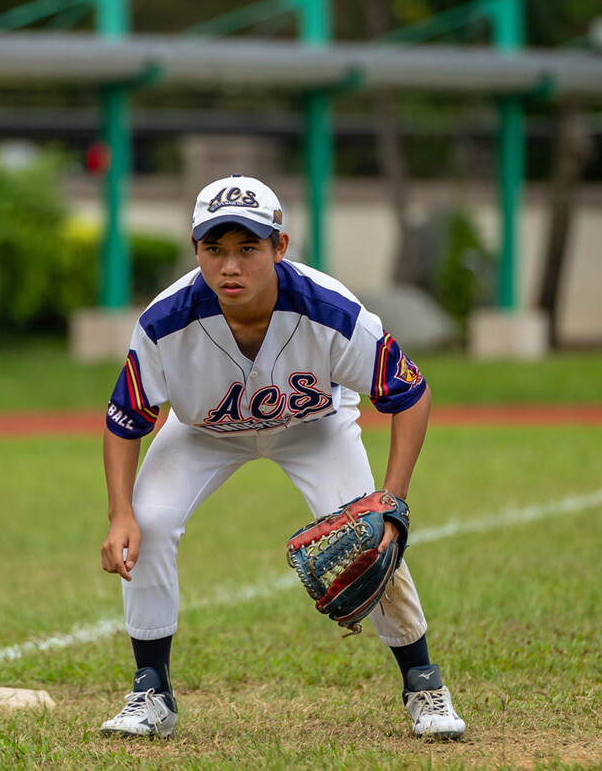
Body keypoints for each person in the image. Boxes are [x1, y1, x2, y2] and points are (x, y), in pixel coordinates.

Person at [98, 174, 465, 740]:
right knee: (147, 522)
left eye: (248, 248)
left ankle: (422, 682)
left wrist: (390, 500)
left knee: (373, 532)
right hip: (204, 433)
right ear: (195, 250)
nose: (230, 266)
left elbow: (410, 394)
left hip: (314, 428)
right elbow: (125, 419)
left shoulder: (331, 312)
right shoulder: (164, 322)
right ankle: (152, 690)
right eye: (214, 249)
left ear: (280, 247)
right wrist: (119, 512)